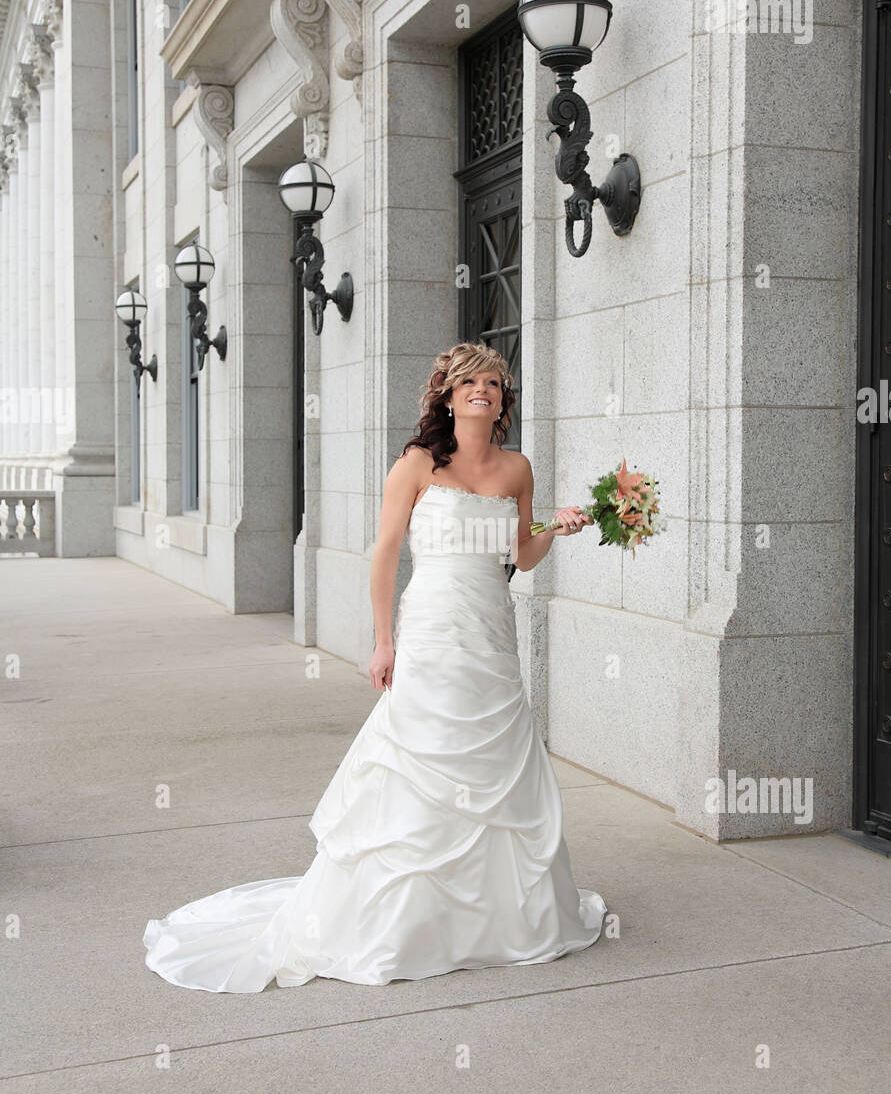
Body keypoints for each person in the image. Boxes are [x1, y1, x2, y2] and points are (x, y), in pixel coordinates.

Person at [143, 341, 606, 991]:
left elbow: (522, 557)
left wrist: (558, 526)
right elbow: (386, 553)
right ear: (446, 395)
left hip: (490, 627)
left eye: (495, 384)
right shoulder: (417, 464)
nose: (485, 391)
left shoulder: (517, 469)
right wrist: (383, 641)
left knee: (493, 755)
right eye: (471, 382)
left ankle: (495, 919)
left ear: (503, 401)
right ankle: (407, 921)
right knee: (425, 751)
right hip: (432, 624)